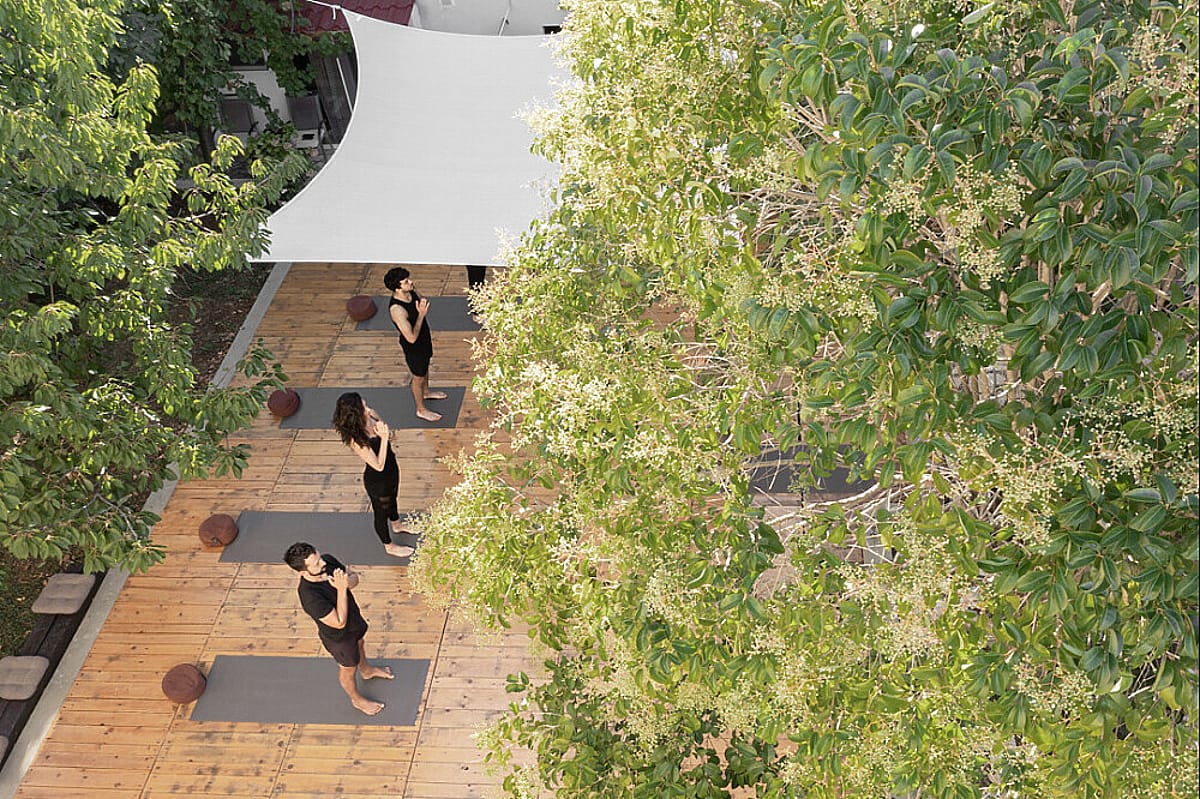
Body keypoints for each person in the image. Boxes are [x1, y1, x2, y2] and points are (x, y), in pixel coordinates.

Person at [283, 542, 392, 715]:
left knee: (360, 642)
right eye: (316, 563)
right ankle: (357, 700)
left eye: (319, 557)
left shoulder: (328, 560)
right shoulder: (309, 597)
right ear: (302, 572)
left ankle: (367, 670)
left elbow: (354, 578)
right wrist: (341, 589)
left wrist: (347, 582)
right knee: (348, 669)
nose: (323, 563)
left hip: (354, 620)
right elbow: (339, 622)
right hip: (339, 639)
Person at [331, 391, 415, 558]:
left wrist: (386, 434)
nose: (366, 406)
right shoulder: (357, 440)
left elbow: (389, 433)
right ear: (355, 412)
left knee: (393, 498)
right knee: (381, 512)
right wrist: (383, 438)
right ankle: (389, 545)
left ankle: (397, 525)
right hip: (378, 481)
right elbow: (378, 465)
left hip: (392, 467)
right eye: (362, 406)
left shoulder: (372, 415)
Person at [384, 266, 447, 422]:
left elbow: (421, 299)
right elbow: (411, 338)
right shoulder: (397, 310)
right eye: (406, 281)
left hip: (424, 337)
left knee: (425, 367)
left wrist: (422, 304)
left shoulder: (410, 291)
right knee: (418, 376)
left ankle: (426, 392)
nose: (411, 282)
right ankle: (421, 409)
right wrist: (421, 315)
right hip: (413, 346)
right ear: (398, 288)